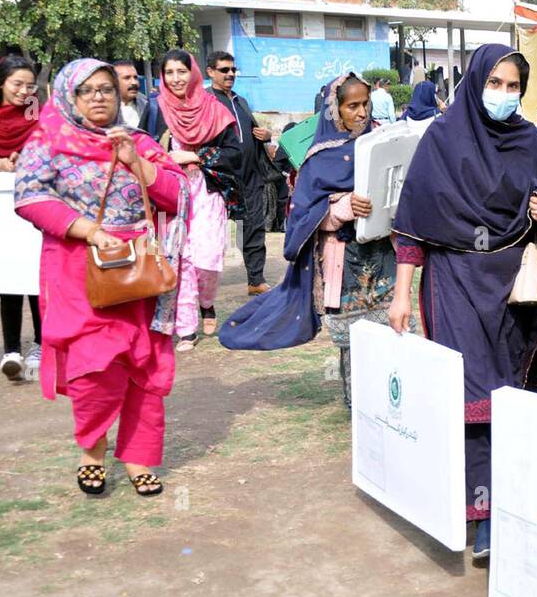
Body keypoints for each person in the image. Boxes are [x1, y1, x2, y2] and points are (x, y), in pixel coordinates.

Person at [388, 44, 537, 561]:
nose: (503, 94)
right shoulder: (443, 139)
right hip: (454, 282)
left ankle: (515, 503)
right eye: (494, 84)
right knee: (473, 398)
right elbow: (412, 222)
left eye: (513, 86)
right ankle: (483, 518)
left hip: (513, 289)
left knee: (511, 394)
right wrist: (402, 294)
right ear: (476, 82)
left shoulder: (530, 142)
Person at [13, 58, 189, 498]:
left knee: (144, 368)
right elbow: (30, 197)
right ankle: (92, 450)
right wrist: (91, 231)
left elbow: (176, 192)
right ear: (70, 96)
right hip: (80, 273)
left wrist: (136, 163)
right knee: (94, 370)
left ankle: (138, 458)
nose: (98, 98)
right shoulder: (48, 140)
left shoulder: (140, 141)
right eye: (87, 91)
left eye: (106, 89)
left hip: (141, 273)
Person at [222, 74, 396, 406]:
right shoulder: (318, 160)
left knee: (391, 331)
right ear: (335, 111)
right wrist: (340, 208)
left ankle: (390, 404)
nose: (361, 113)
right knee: (355, 338)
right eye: (352, 106)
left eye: (366, 104)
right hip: (346, 261)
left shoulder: (382, 144)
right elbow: (301, 217)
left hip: (384, 255)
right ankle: (358, 406)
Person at [156, 50, 243, 350]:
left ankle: (207, 301)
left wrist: (194, 155)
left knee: (205, 258)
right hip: (169, 193)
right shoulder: (157, 109)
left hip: (206, 191)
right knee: (181, 258)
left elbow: (235, 155)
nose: (176, 79)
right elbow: (142, 146)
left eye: (181, 71)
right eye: (169, 73)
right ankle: (186, 327)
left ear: (192, 73)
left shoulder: (214, 109)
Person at [0, 55, 43, 382]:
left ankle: (40, 344)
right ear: (0, 83)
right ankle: (11, 350)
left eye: (29, 85)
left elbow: (46, 143)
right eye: (16, 84)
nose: (24, 91)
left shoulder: (34, 109)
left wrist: (29, 157)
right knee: (9, 278)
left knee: (36, 278)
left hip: (34, 203)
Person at [207, 51, 274, 295]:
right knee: (212, 233)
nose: (230, 74)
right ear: (210, 72)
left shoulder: (240, 101)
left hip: (250, 175)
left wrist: (266, 136)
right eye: (224, 70)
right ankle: (202, 288)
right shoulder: (206, 101)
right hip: (219, 178)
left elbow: (251, 132)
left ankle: (255, 280)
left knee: (254, 226)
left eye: (233, 70)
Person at [112, 60, 162, 137]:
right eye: (127, 78)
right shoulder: (104, 110)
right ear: (113, 82)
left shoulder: (149, 107)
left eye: (135, 78)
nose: (134, 82)